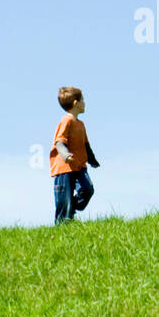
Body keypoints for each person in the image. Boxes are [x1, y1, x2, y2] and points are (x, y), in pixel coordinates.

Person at [50, 86, 100, 224]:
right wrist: (66, 156)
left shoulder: (81, 124)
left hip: (79, 166)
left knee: (87, 189)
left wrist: (92, 160)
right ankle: (62, 225)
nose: (85, 102)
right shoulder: (66, 121)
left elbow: (86, 145)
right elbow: (59, 142)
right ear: (75, 103)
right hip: (65, 167)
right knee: (63, 199)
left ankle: (71, 208)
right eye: (83, 99)